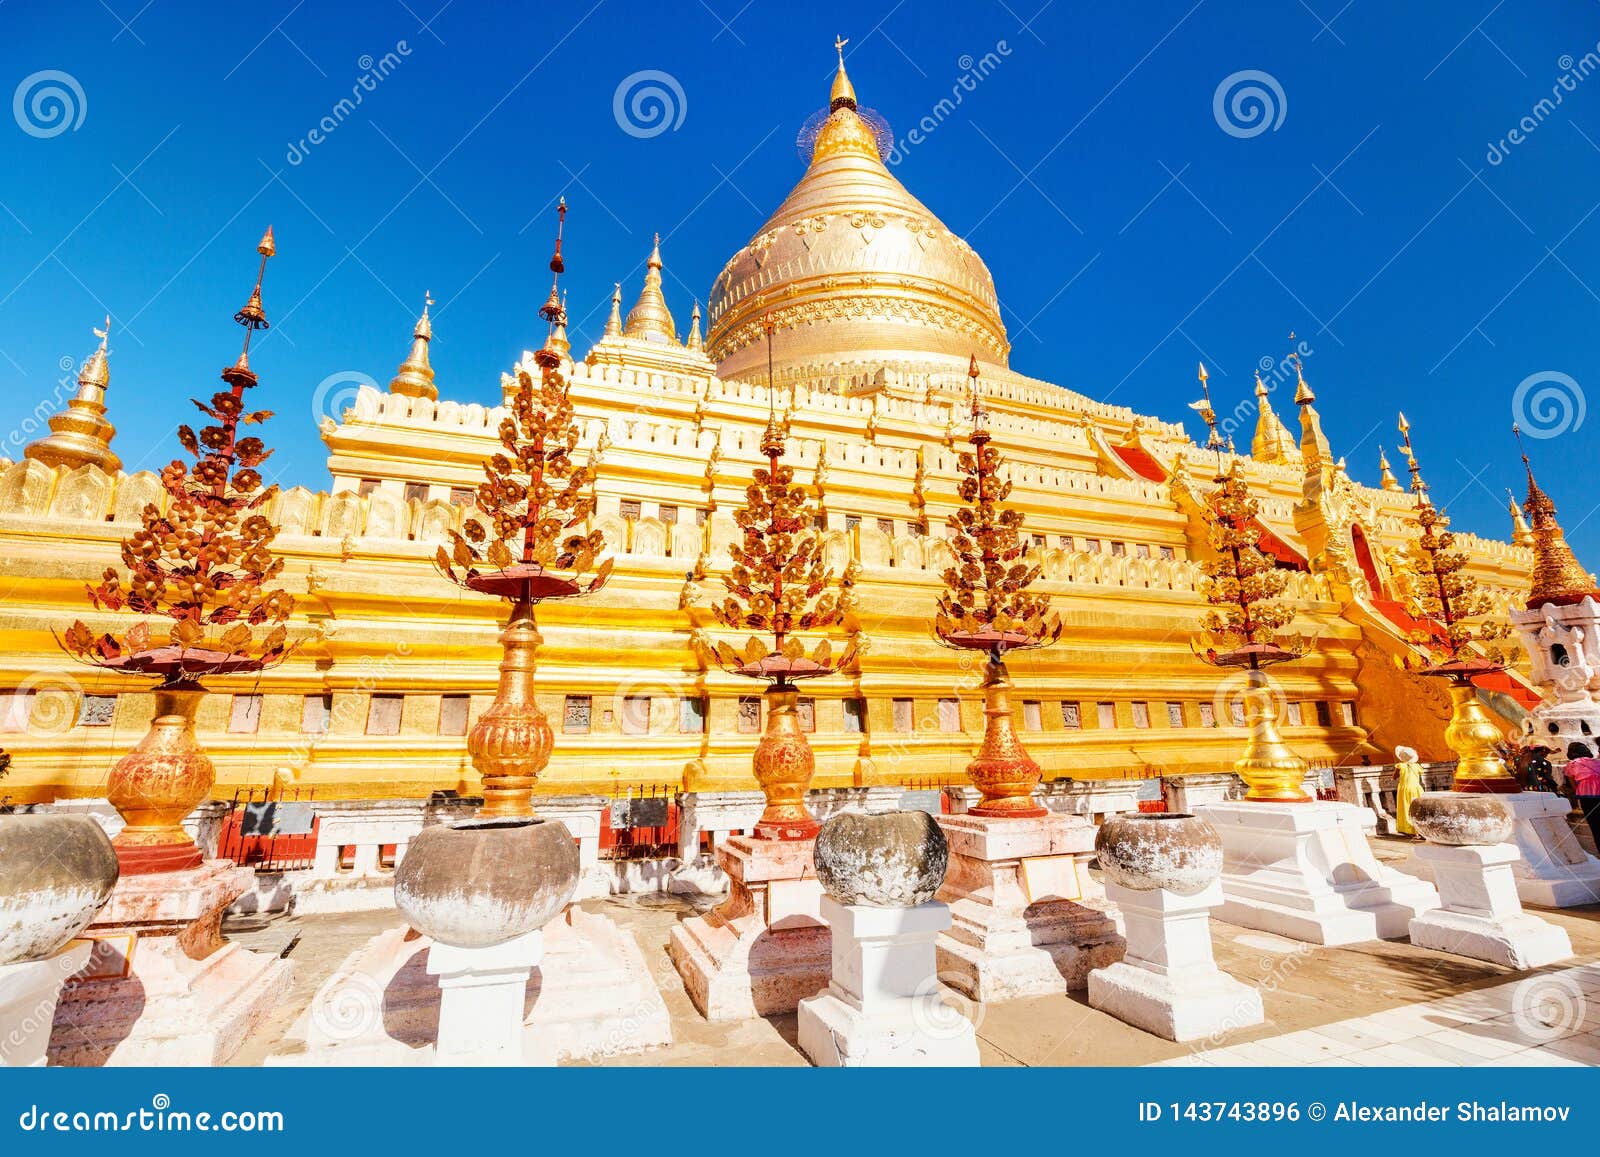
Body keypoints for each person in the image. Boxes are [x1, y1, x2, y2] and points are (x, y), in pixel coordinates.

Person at [1564, 742, 1600, 853]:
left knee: (1595, 826)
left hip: (1587, 796)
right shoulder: (1597, 762)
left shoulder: (1571, 764)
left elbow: (1573, 785)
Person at [1393, 745, 1425, 838]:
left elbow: (1394, 777)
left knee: (1407, 809)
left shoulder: (1400, 766)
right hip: (1417, 789)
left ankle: (1411, 830)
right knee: (1418, 809)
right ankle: (1420, 830)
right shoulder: (1417, 766)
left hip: (1405, 790)